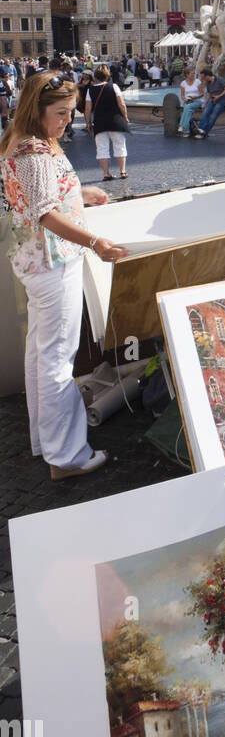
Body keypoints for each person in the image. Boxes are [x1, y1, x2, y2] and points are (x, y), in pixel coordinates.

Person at [0, 72, 129, 479]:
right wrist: (96, 242)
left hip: (34, 262)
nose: (67, 120)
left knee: (41, 354)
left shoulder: (18, 139)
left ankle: (47, 442)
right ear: (35, 109)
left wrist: (78, 194)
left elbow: (36, 198)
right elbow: (44, 213)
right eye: (60, 113)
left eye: (70, 112)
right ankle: (67, 456)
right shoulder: (35, 150)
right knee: (57, 359)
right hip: (53, 264)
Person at [85, 64, 130, 180]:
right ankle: (123, 171)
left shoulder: (90, 90)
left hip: (99, 122)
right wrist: (125, 116)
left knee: (102, 148)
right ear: (107, 76)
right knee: (120, 145)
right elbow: (121, 104)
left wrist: (88, 123)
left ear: (95, 76)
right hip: (115, 121)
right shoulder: (114, 87)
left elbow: (87, 109)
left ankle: (106, 173)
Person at [193, 67, 225, 137]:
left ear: (207, 76)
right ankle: (201, 130)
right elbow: (209, 94)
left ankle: (204, 132)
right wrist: (204, 103)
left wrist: (219, 96)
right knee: (205, 114)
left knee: (213, 117)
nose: (203, 79)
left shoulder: (219, 79)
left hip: (222, 101)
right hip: (213, 100)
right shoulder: (208, 83)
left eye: (203, 77)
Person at [178, 66, 205, 137]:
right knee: (188, 109)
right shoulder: (183, 83)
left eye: (194, 73)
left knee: (187, 107)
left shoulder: (197, 81)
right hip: (187, 101)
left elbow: (202, 94)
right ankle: (187, 130)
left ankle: (183, 128)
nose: (193, 75)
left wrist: (195, 97)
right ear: (187, 75)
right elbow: (182, 96)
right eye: (192, 73)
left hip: (197, 101)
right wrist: (185, 100)